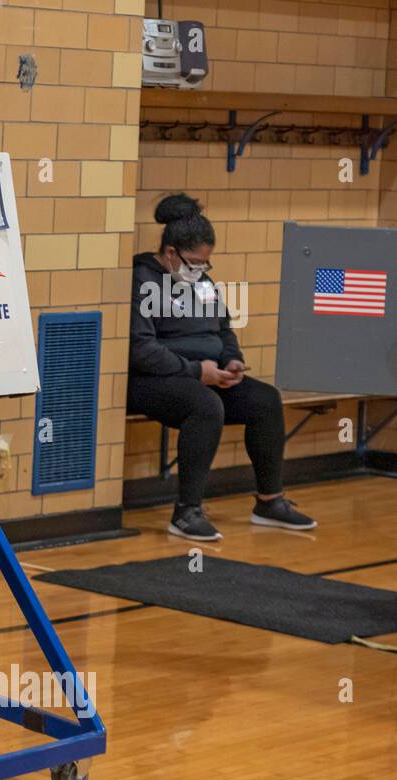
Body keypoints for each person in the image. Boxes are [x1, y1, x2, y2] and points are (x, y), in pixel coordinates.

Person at [128, 194, 317, 541]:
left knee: (265, 400)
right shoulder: (143, 280)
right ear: (171, 253)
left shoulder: (201, 284)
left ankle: (269, 502)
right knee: (206, 405)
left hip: (207, 375)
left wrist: (231, 360)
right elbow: (142, 350)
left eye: (205, 264)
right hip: (153, 381)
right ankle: (187, 512)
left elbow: (223, 328)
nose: (200, 270)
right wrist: (196, 372)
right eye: (194, 263)